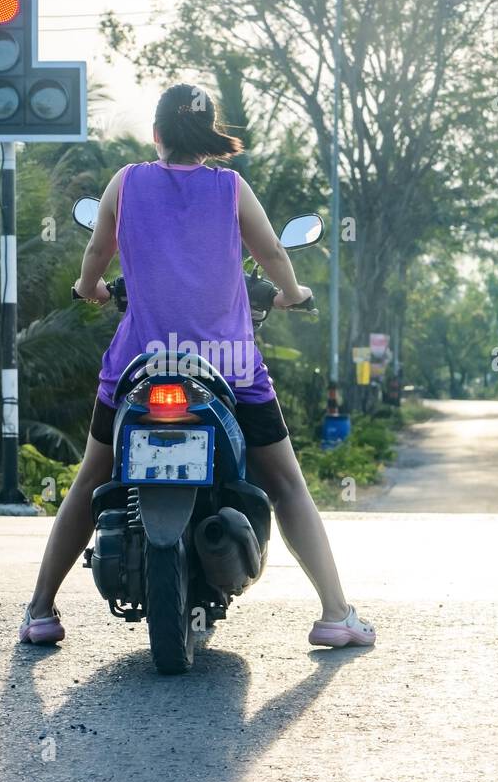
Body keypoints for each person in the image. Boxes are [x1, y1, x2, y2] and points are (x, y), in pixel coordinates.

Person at [20, 83, 375, 651]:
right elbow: (273, 255)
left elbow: (96, 256)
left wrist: (90, 289)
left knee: (90, 481)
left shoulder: (126, 182)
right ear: (209, 136)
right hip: (228, 368)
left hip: (139, 366)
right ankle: (335, 614)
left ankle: (41, 611)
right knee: (285, 485)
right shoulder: (230, 188)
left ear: (156, 134)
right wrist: (292, 292)